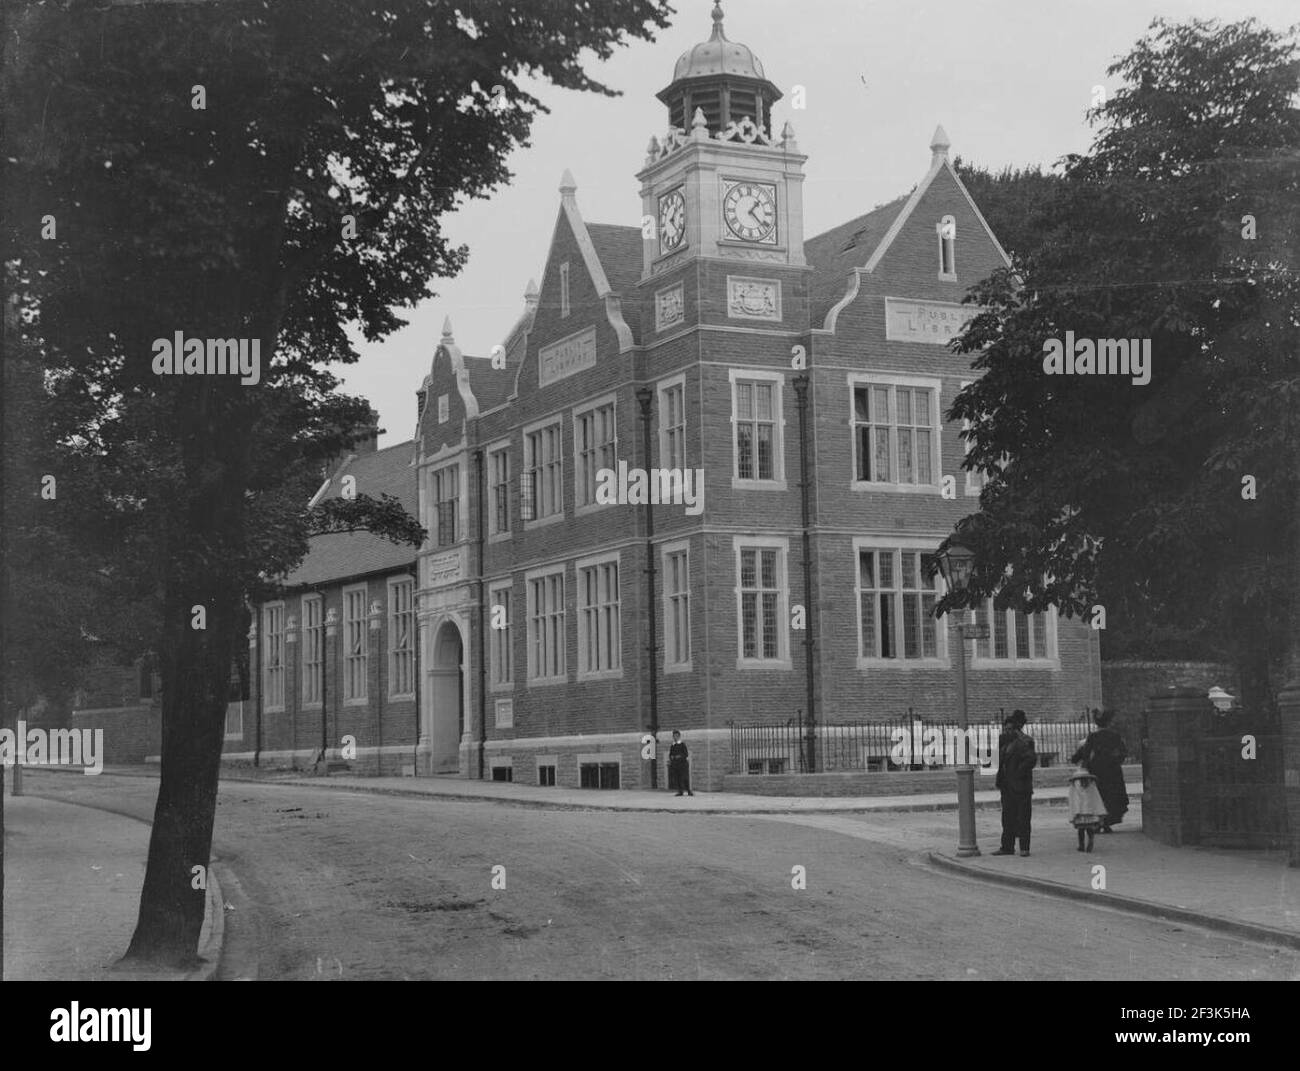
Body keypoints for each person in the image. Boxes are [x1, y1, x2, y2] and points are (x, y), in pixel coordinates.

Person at [1071, 709, 1128, 831]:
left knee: (1098, 797)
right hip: (1112, 770)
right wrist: (1116, 761)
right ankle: (1106, 823)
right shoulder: (1115, 736)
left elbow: (1085, 753)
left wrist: (1079, 760)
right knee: (1111, 797)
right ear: (1108, 722)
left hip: (1097, 771)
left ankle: (1098, 822)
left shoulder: (1093, 736)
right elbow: (1123, 752)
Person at [993, 709, 1036, 856]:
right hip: (1007, 787)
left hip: (1021, 787)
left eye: (1010, 729)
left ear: (1016, 729)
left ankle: (1024, 848)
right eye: (1006, 729)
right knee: (1007, 818)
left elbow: (1030, 760)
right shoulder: (1004, 744)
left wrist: (1017, 774)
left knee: (1023, 818)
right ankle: (1007, 847)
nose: (1007, 731)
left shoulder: (1025, 742)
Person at [1068, 767, 1106, 852]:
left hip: (1080, 812)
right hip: (1090, 811)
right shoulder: (1091, 784)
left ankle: (1081, 845)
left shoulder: (1074, 785)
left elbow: (1074, 800)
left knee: (1081, 830)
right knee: (1090, 828)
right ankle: (1090, 840)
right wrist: (1099, 811)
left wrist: (1075, 812)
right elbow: (1096, 798)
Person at [668, 730, 693, 796]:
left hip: (683, 764)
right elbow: (670, 754)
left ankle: (688, 791)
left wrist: (679, 756)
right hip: (676, 764)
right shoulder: (672, 745)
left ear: (679, 736)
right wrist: (672, 757)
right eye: (674, 736)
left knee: (685, 778)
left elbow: (685, 754)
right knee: (677, 778)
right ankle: (680, 791)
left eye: (676, 736)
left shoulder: (682, 744)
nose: (675, 737)